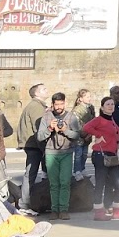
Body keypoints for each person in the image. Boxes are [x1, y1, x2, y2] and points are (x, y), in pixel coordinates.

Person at [83, 97, 119, 220]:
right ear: (102, 107)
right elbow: (86, 127)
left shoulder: (112, 120)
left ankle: (117, 210)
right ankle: (98, 212)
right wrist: (98, 135)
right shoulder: (99, 120)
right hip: (100, 155)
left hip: (112, 156)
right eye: (107, 104)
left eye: (112, 104)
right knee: (100, 183)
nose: (110, 106)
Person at [40, 91, 80, 219]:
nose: (59, 107)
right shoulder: (46, 117)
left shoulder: (71, 117)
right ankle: (54, 209)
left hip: (67, 152)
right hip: (51, 152)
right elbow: (40, 136)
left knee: (65, 182)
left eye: (61, 104)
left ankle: (63, 209)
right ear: (52, 104)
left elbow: (77, 135)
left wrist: (65, 130)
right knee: (53, 183)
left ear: (65, 103)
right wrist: (50, 129)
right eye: (56, 105)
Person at [16, 82, 49, 209]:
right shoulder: (36, 107)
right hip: (35, 145)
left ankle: (30, 201)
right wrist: (45, 147)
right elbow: (39, 128)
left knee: (34, 173)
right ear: (36, 93)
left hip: (32, 144)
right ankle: (25, 203)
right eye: (44, 89)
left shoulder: (36, 106)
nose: (47, 90)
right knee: (31, 174)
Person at [71, 89, 95, 182]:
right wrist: (83, 133)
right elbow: (75, 123)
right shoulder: (77, 110)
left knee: (84, 153)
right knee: (78, 154)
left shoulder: (90, 108)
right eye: (87, 97)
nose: (89, 99)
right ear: (80, 98)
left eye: (90, 96)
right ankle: (77, 171)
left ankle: (82, 168)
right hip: (80, 135)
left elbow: (93, 120)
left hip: (88, 134)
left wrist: (91, 133)